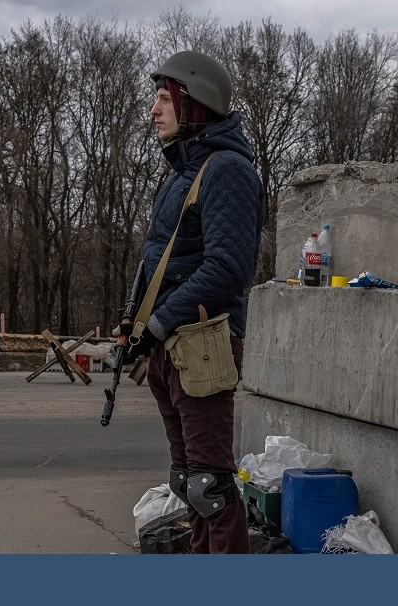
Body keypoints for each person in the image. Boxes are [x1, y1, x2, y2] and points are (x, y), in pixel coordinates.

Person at [121, 51, 263, 554]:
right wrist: (134, 324)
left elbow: (228, 268)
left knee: (211, 488)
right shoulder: (184, 171)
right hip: (169, 345)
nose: (155, 111)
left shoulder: (227, 171)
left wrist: (158, 322)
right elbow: (163, 258)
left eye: (164, 99)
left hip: (200, 343)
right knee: (187, 483)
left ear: (195, 104)